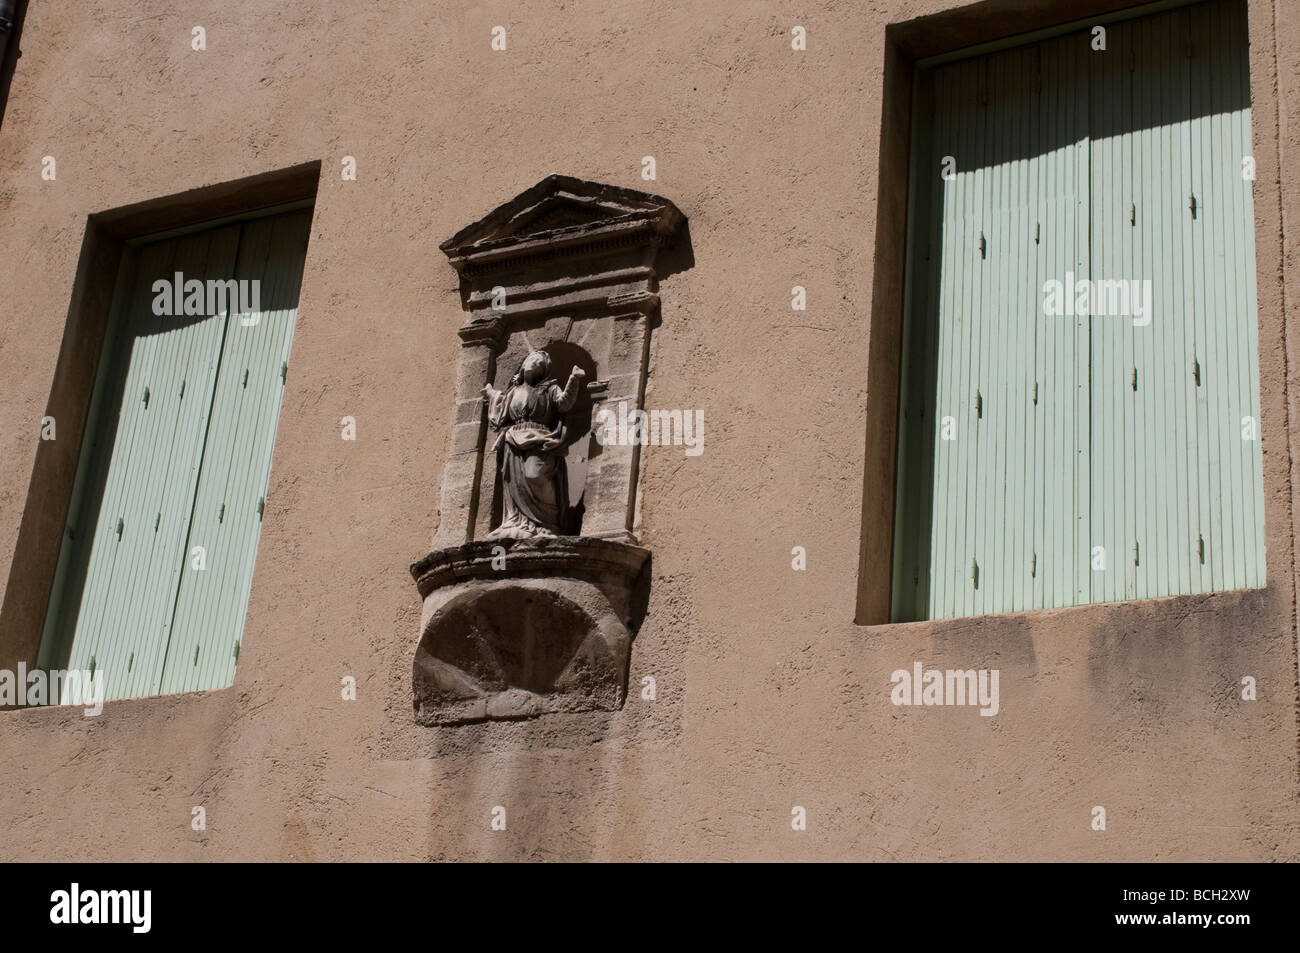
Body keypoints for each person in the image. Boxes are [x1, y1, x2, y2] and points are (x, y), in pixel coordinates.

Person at [482, 350, 587, 538]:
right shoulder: (513, 391)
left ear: (543, 370)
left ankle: (547, 523)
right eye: (532, 359)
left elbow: (564, 404)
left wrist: (573, 379)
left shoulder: (549, 388)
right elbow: (500, 410)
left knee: (533, 474)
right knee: (514, 483)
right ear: (523, 365)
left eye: (539, 362)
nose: (534, 363)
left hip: (539, 439)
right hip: (513, 441)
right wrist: (491, 394)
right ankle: (517, 522)